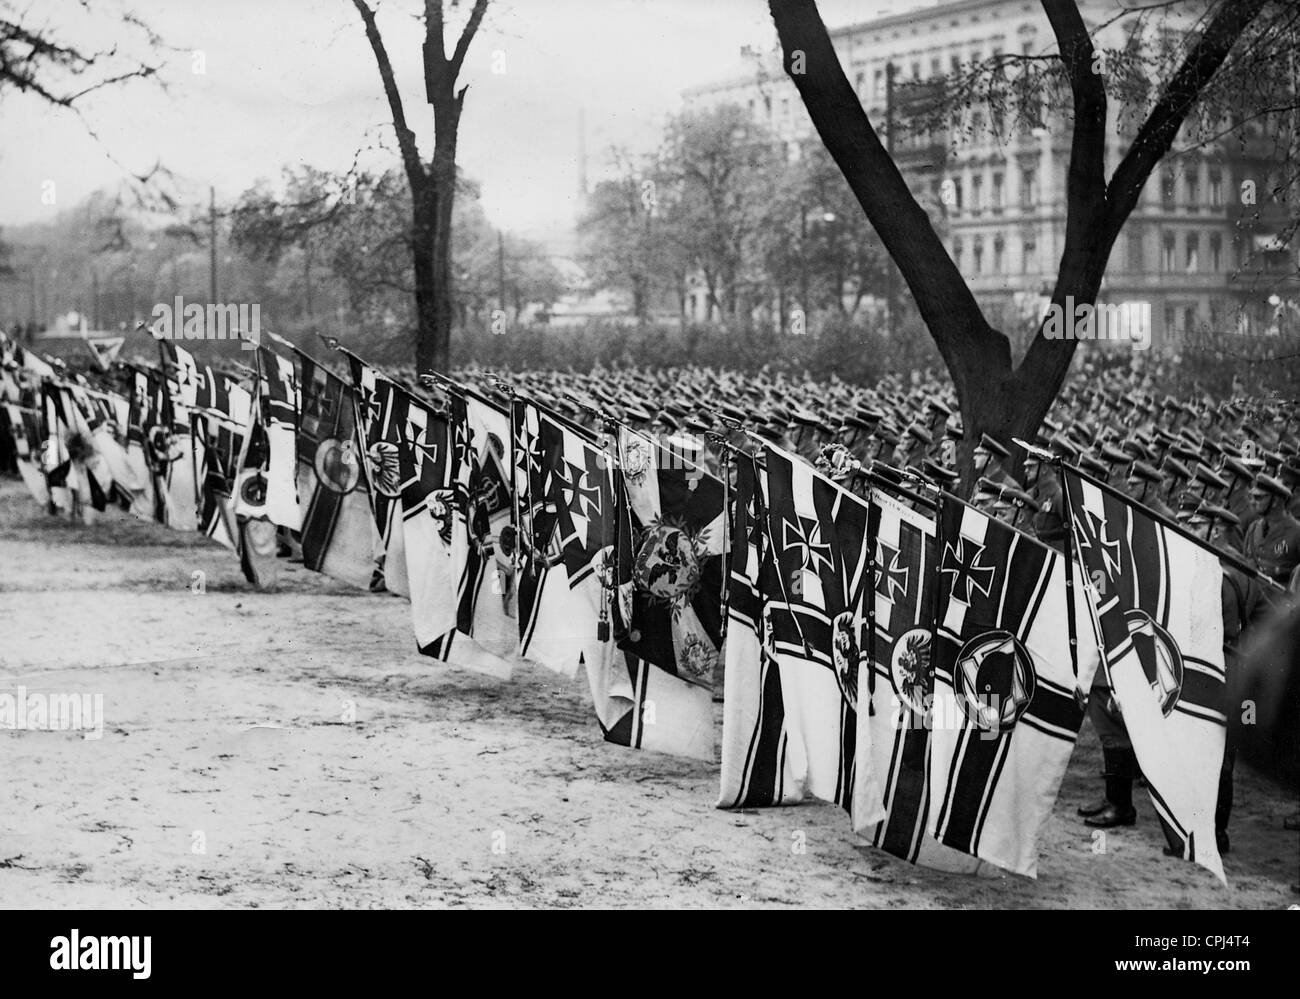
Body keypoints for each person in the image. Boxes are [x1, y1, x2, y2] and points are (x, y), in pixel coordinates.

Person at [1242, 474, 1300, 590]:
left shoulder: (1296, 533)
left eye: (1259, 498)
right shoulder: (1253, 528)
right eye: (1252, 497)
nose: (1252, 502)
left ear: (1275, 501)